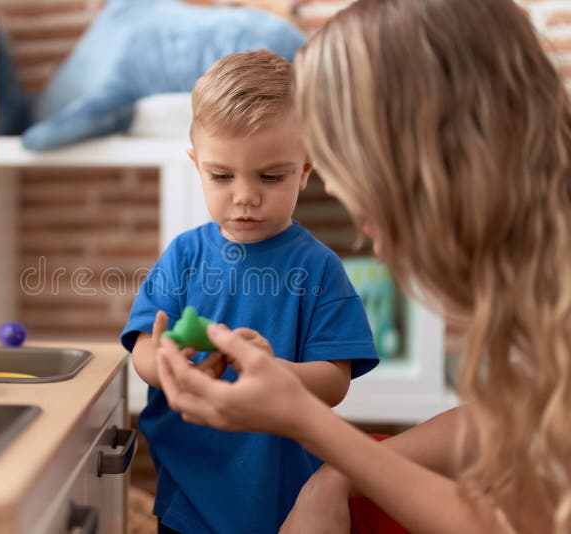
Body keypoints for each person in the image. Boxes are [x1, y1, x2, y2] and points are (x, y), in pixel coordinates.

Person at [155, 0, 571, 533]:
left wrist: (308, 424)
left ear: (424, 152)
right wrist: (336, 474)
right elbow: (511, 423)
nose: (331, 186)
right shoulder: (537, 272)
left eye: (343, 154)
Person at [120, 50, 380, 533]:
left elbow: (335, 381)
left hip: (282, 501)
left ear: (304, 170)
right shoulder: (183, 256)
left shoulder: (320, 268)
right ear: (197, 166)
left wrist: (275, 373)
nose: (244, 195)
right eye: (222, 176)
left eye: (270, 176)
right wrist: (168, 363)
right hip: (188, 498)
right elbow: (142, 348)